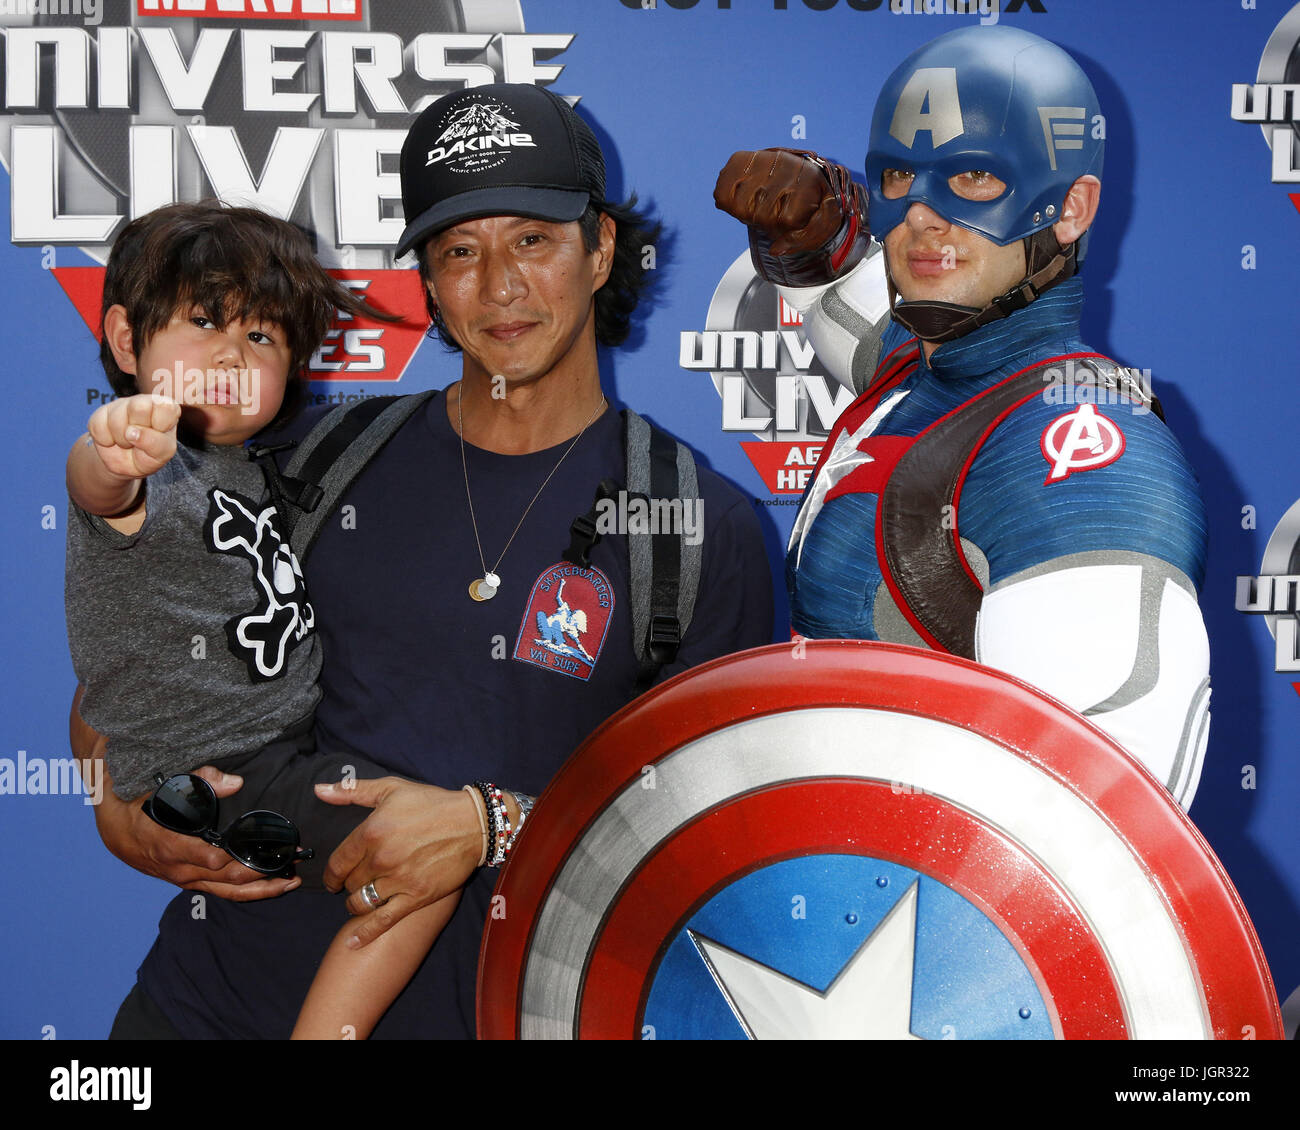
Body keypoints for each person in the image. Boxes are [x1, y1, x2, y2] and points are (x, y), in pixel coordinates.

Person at [74, 83, 773, 1039]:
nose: (498, 287)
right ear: (431, 284)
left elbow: (714, 836)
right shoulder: (312, 463)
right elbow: (137, 655)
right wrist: (111, 794)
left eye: (532, 239)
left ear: (601, 247)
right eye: (459, 251)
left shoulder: (696, 527)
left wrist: (492, 824)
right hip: (198, 1013)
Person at [714, 25, 1210, 809]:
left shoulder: (1077, 451)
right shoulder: (928, 368)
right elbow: (841, 299)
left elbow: (1100, 831)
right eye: (900, 174)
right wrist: (816, 221)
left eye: (974, 176)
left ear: (1072, 208)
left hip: (918, 918)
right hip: (832, 893)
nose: (920, 216)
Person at [65, 200, 459, 1039]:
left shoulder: (254, 469)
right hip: (220, 765)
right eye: (203, 322)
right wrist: (110, 448)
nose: (229, 357)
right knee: (411, 855)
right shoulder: (154, 468)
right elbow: (101, 493)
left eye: (261, 339)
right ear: (128, 342)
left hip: (264, 761)